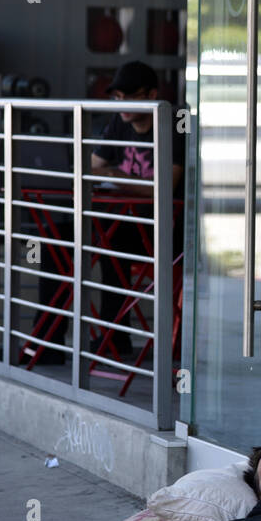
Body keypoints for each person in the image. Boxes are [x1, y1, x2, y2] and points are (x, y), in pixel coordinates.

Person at [89, 61, 184, 360]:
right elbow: (92, 166)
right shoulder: (121, 121)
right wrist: (117, 178)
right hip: (124, 223)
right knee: (59, 242)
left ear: (153, 94)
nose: (123, 104)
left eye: (131, 96)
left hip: (165, 232)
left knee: (110, 242)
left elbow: (166, 186)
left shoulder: (175, 121)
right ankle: (41, 343)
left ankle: (113, 340)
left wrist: (119, 178)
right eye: (117, 97)